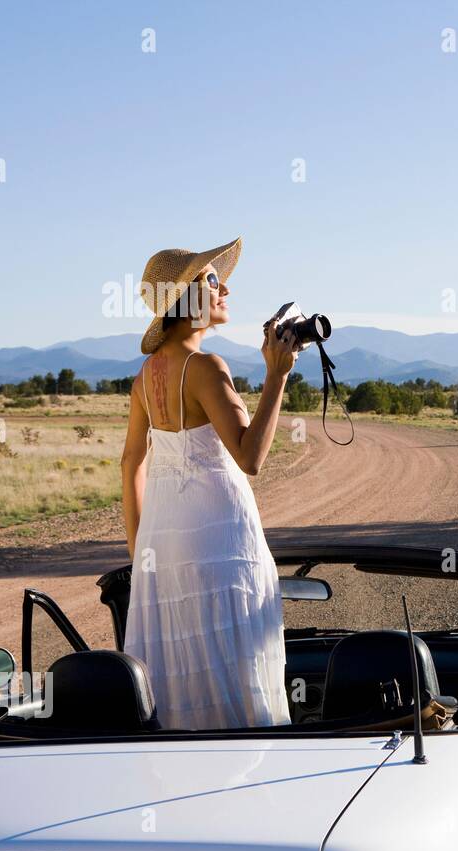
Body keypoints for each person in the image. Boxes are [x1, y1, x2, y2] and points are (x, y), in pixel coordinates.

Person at [120, 237, 298, 730]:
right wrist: (277, 375)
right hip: (223, 550)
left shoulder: (144, 377)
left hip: (164, 556)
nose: (226, 287)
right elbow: (251, 457)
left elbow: (131, 462)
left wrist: (141, 556)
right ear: (187, 299)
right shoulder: (206, 367)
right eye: (214, 280)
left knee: (181, 679)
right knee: (237, 674)